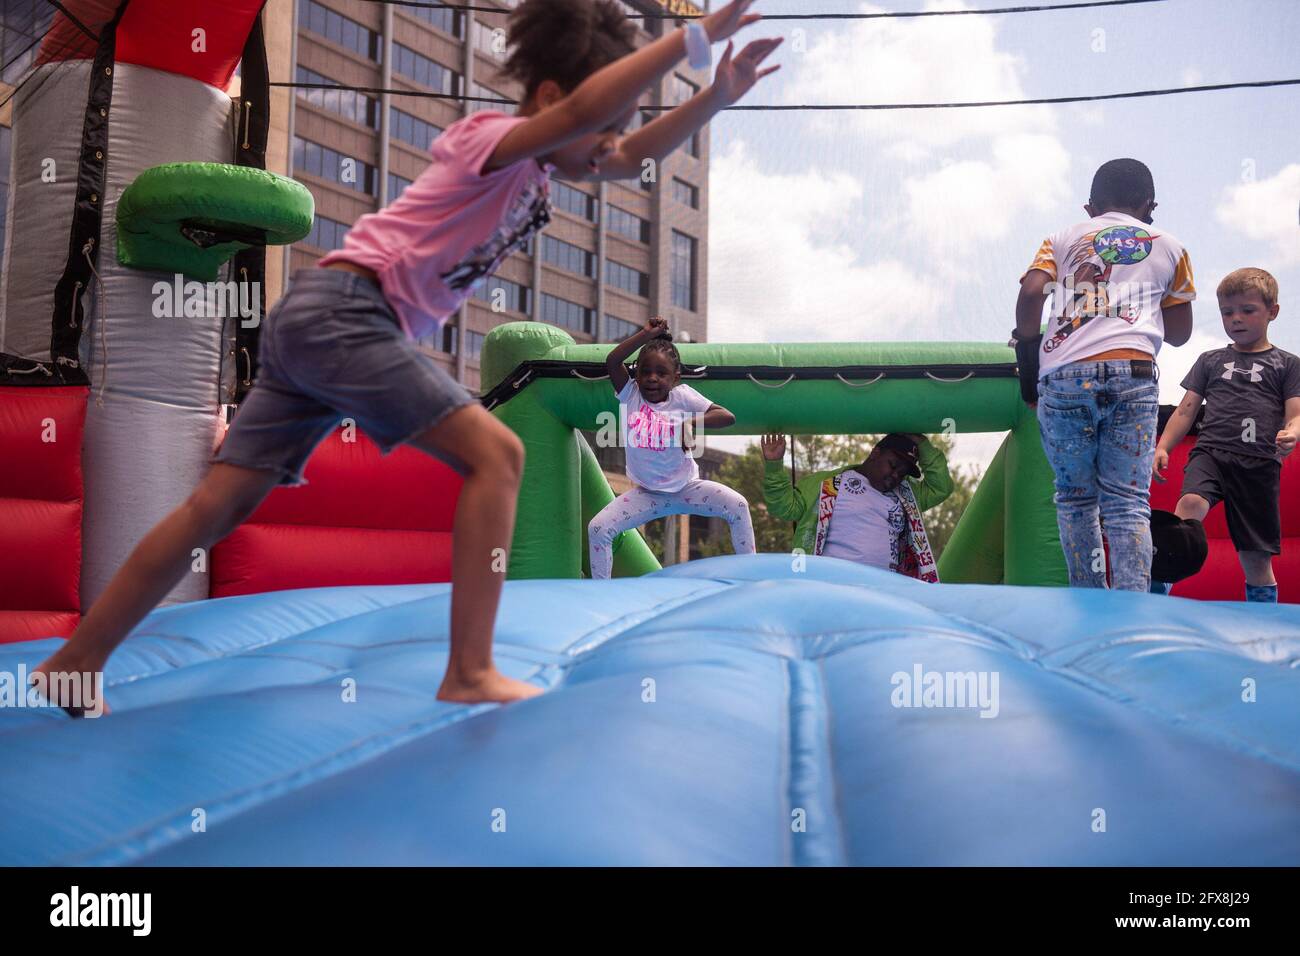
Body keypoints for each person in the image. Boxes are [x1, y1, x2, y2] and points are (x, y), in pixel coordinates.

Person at [34, 0, 781, 714]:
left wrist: (716, 95)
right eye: (599, 125)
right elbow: (587, 114)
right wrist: (693, 39)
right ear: (553, 97)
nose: (605, 144)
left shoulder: (543, 168)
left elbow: (625, 155)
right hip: (351, 315)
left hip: (318, 321)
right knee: (499, 457)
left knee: (215, 507)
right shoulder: (491, 139)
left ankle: (75, 663)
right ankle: (470, 671)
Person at [1012, 157, 1195, 592]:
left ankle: (1089, 601)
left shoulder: (1061, 238)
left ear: (1090, 208)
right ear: (1150, 206)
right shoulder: (1171, 246)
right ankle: (1132, 606)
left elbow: (1032, 291)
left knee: (1076, 499)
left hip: (1065, 375)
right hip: (1133, 372)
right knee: (1127, 502)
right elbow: (1180, 335)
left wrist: (1027, 342)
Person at [1153, 268, 1300, 601]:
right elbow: (1186, 410)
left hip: (1259, 464)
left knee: (1255, 556)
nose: (1236, 319)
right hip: (1212, 453)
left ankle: (1262, 614)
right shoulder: (1211, 360)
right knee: (1189, 504)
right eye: (1227, 312)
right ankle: (1159, 587)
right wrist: (1163, 446)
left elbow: (1296, 412)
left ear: (1272, 311)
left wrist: (1292, 432)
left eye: (1247, 310)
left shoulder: (1287, 364)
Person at [589, 318, 755, 577]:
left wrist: (690, 422)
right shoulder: (630, 394)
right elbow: (612, 361)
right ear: (636, 374)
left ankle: (749, 576)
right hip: (646, 494)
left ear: (675, 378)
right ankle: (601, 592)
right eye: (645, 372)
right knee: (598, 529)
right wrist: (645, 334)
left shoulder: (683, 396)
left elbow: (726, 416)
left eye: (661, 373)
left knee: (739, 506)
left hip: (688, 488)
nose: (652, 379)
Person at [760, 433, 952, 580]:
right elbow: (784, 508)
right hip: (833, 587)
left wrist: (923, 445)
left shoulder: (906, 495)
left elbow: (940, 487)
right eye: (893, 465)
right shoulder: (826, 484)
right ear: (875, 453)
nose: (896, 476)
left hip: (886, 591)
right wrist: (774, 465)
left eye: (902, 474)